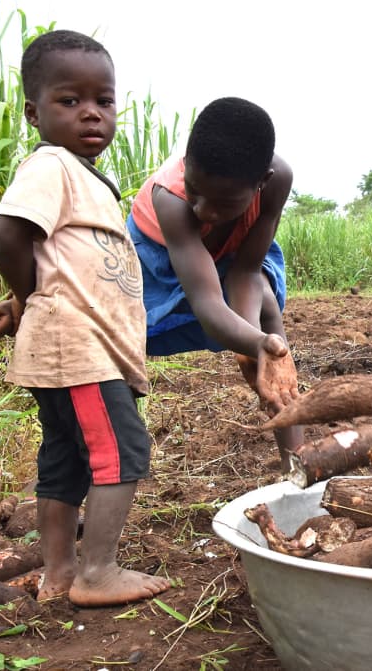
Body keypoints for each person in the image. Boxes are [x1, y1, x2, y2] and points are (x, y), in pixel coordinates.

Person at [0, 31, 170, 606]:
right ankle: (97, 572)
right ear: (33, 113)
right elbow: (8, 231)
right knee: (121, 451)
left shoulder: (83, 175)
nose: (91, 113)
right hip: (80, 352)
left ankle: (58, 572)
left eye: (103, 101)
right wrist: (27, 295)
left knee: (66, 459)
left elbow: (55, 264)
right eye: (69, 100)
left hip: (77, 351)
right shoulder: (52, 164)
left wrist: (21, 302)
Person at [127, 98, 302, 469]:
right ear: (186, 164)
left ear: (261, 183)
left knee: (266, 308)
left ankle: (298, 467)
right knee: (118, 344)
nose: (204, 210)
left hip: (229, 254)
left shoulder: (278, 181)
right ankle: (94, 455)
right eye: (195, 189)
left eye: (225, 203)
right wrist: (254, 343)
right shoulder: (172, 200)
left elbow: (246, 271)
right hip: (158, 259)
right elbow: (206, 302)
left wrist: (253, 344)